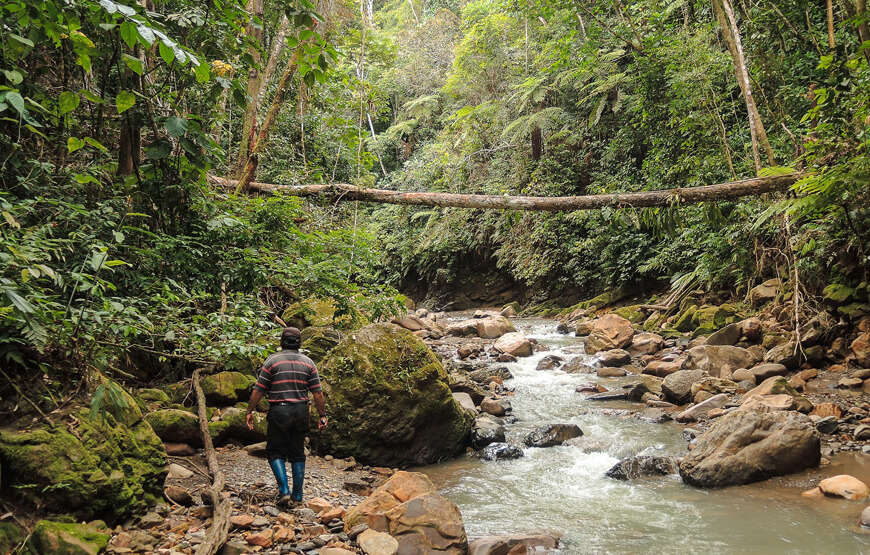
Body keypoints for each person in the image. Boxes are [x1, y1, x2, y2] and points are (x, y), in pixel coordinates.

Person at [246, 327, 327, 507]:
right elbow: (318, 393)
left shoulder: (272, 361)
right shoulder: (309, 363)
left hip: (280, 411)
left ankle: (284, 490)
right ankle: (297, 495)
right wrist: (322, 415)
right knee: (297, 452)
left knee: (275, 451)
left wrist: (249, 410)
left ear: (281, 342)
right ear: (299, 343)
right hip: (301, 411)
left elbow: (259, 389)